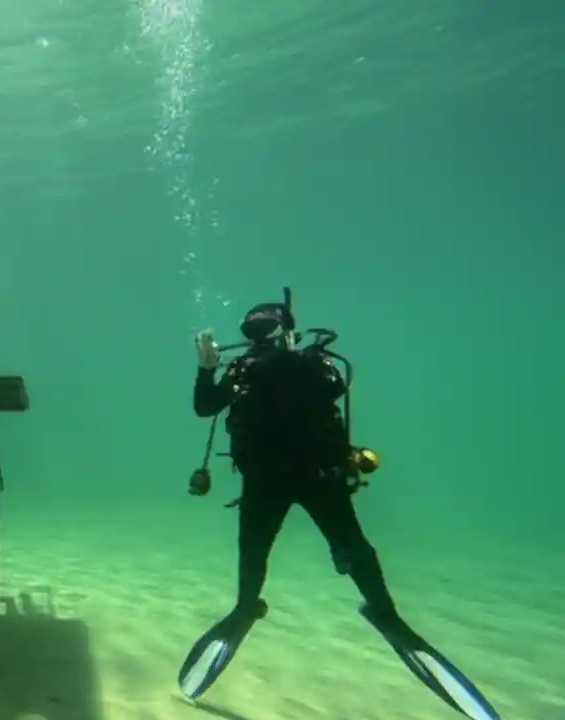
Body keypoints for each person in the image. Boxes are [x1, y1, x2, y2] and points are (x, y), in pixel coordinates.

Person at [176, 293, 500, 720]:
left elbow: (335, 387)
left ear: (288, 332)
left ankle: (383, 611)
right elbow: (205, 408)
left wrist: (292, 357)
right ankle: (246, 605)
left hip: (316, 476)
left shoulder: (311, 363)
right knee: (254, 551)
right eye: (253, 334)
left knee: (351, 546)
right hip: (268, 480)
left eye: (268, 331)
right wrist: (207, 368)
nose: (260, 341)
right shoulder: (244, 371)